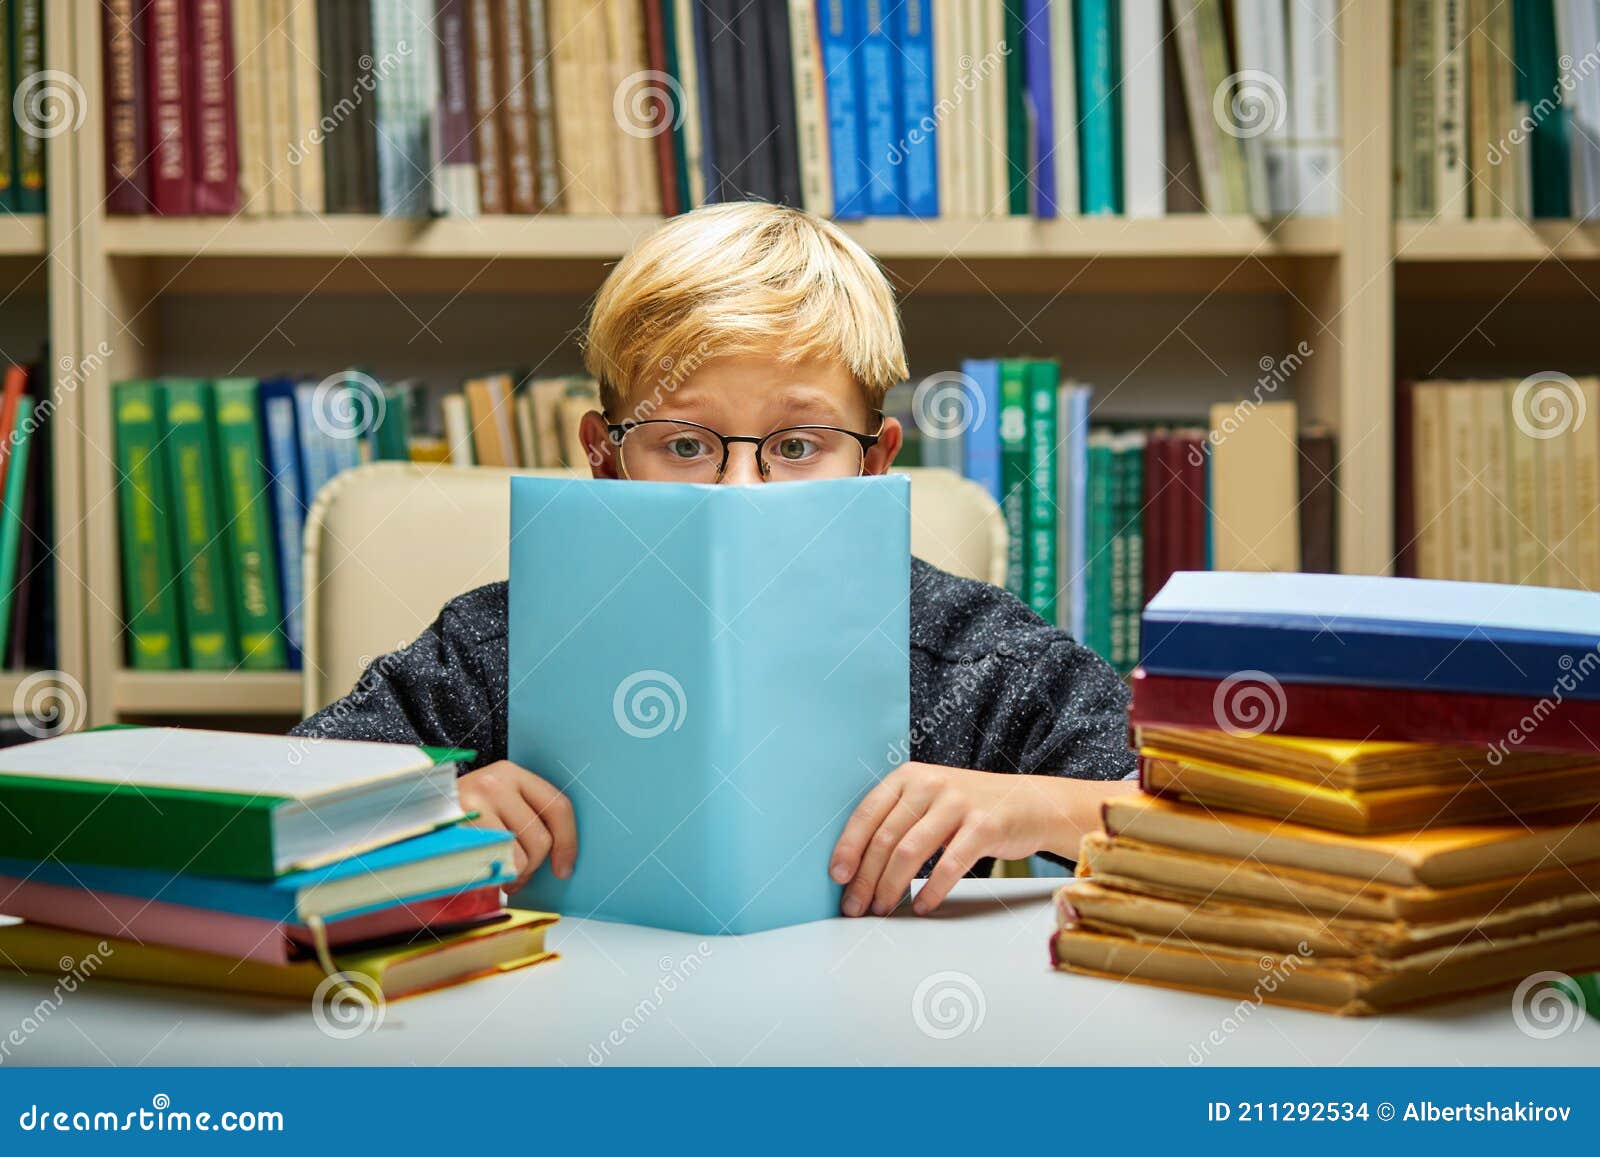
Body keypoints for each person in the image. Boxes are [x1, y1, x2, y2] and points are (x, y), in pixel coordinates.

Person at [293, 202, 1136, 918]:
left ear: (876, 461)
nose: (739, 491)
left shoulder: (973, 650)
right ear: (603, 453)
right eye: (686, 442)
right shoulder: (498, 643)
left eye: (799, 443)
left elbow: (1207, 822)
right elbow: (272, 816)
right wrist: (430, 814)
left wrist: (1035, 806)